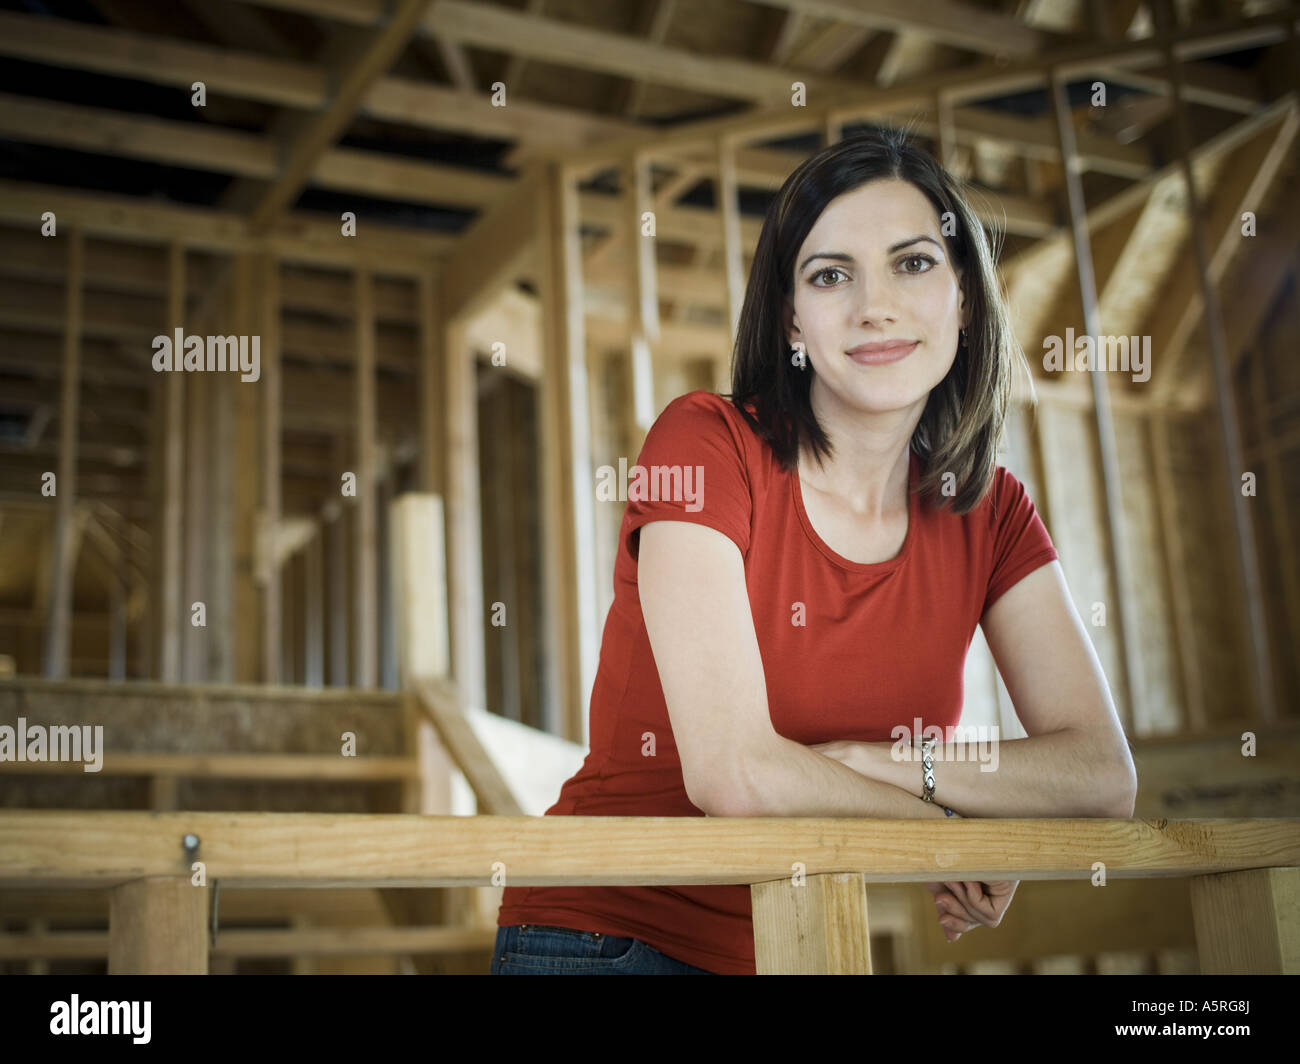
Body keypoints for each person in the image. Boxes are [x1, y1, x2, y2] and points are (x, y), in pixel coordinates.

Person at [492, 128, 1137, 976]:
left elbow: (1100, 776)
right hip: (601, 934)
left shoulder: (990, 511)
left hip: (801, 943)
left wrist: (889, 761)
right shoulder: (705, 443)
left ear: (966, 298)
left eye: (913, 263)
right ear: (793, 316)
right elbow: (733, 776)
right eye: (831, 275)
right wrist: (946, 835)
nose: (876, 305)